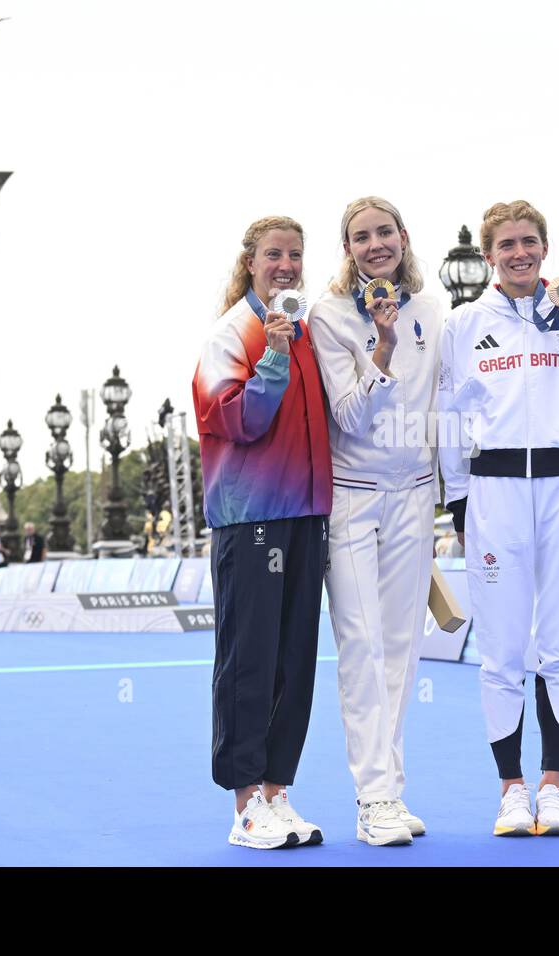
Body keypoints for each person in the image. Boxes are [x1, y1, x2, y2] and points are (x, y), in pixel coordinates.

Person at [437, 200, 559, 837]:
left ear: (545, 247)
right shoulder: (463, 325)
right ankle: (511, 791)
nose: (520, 253)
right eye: (507, 244)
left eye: (530, 242)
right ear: (489, 255)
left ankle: (554, 788)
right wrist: (458, 503)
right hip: (494, 496)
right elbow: (450, 423)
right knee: (501, 649)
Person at [308, 197, 445, 846]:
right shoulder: (328, 318)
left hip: (415, 497)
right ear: (348, 250)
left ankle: (388, 787)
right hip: (354, 498)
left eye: (383, 232)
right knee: (360, 647)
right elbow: (350, 418)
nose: (374, 245)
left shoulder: (434, 313)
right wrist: (383, 348)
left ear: (403, 237)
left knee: (400, 649)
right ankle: (374, 801)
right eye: (360, 238)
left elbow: (450, 409)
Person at [192, 216, 332, 850]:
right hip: (251, 520)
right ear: (250, 262)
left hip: (305, 515)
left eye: (295, 255)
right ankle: (246, 804)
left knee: (295, 661)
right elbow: (237, 421)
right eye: (274, 254)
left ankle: (278, 794)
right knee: (251, 662)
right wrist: (273, 357)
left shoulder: (302, 330)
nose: (286, 265)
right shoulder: (234, 333)